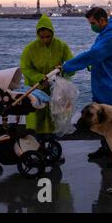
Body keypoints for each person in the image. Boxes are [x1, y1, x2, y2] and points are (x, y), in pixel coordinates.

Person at [62, 7, 112, 159]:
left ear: (102, 20)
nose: (91, 26)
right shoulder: (105, 34)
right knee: (103, 120)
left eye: (93, 23)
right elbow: (101, 56)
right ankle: (105, 148)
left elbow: (95, 54)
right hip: (103, 84)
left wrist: (68, 66)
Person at [20, 14, 73, 149]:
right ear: (37, 35)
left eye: (48, 36)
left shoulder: (62, 46)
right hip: (35, 90)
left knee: (53, 118)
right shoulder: (29, 49)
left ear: (52, 33)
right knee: (36, 119)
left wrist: (63, 69)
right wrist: (39, 78)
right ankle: (38, 150)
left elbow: (72, 64)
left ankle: (52, 149)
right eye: (42, 37)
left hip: (55, 90)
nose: (45, 40)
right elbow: (25, 68)